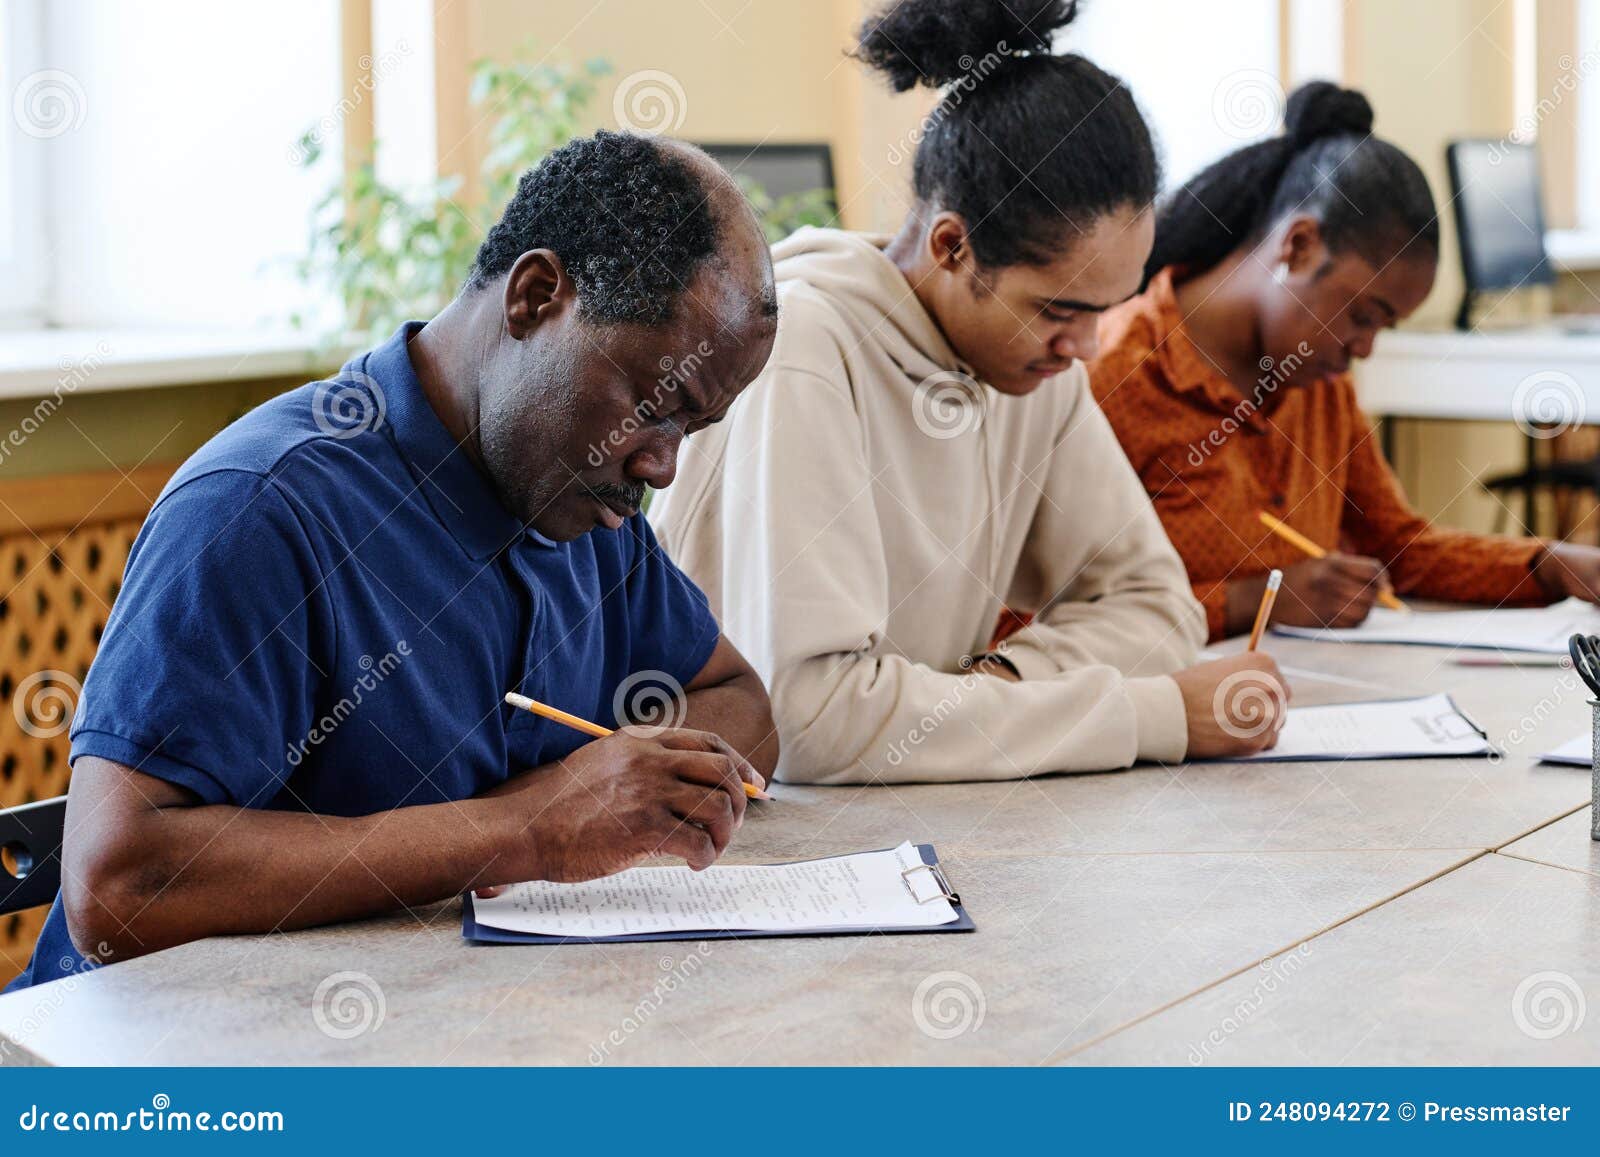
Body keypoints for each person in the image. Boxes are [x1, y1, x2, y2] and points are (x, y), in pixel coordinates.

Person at [6, 132, 781, 991]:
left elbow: (740, 702)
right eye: (652, 404)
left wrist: (625, 788)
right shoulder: (262, 507)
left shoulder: (585, 504)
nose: (661, 464)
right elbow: (118, 886)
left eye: (691, 430)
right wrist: (531, 827)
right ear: (535, 296)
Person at [650, 0, 1288, 787]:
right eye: (1059, 310)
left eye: (1105, 310)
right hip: (752, 843)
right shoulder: (802, 351)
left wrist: (993, 691)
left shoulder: (1029, 364)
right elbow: (809, 724)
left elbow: (1159, 608)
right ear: (952, 246)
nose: (1086, 347)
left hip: (914, 820)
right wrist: (1148, 714)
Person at [1090, 81, 1600, 643]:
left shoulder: (1316, 378)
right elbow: (1041, 617)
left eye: (1385, 328)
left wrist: (1552, 564)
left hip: (1311, 697)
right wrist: (1246, 602)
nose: (1365, 349)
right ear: (1300, 245)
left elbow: (1400, 550)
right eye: (1363, 316)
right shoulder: (1113, 376)